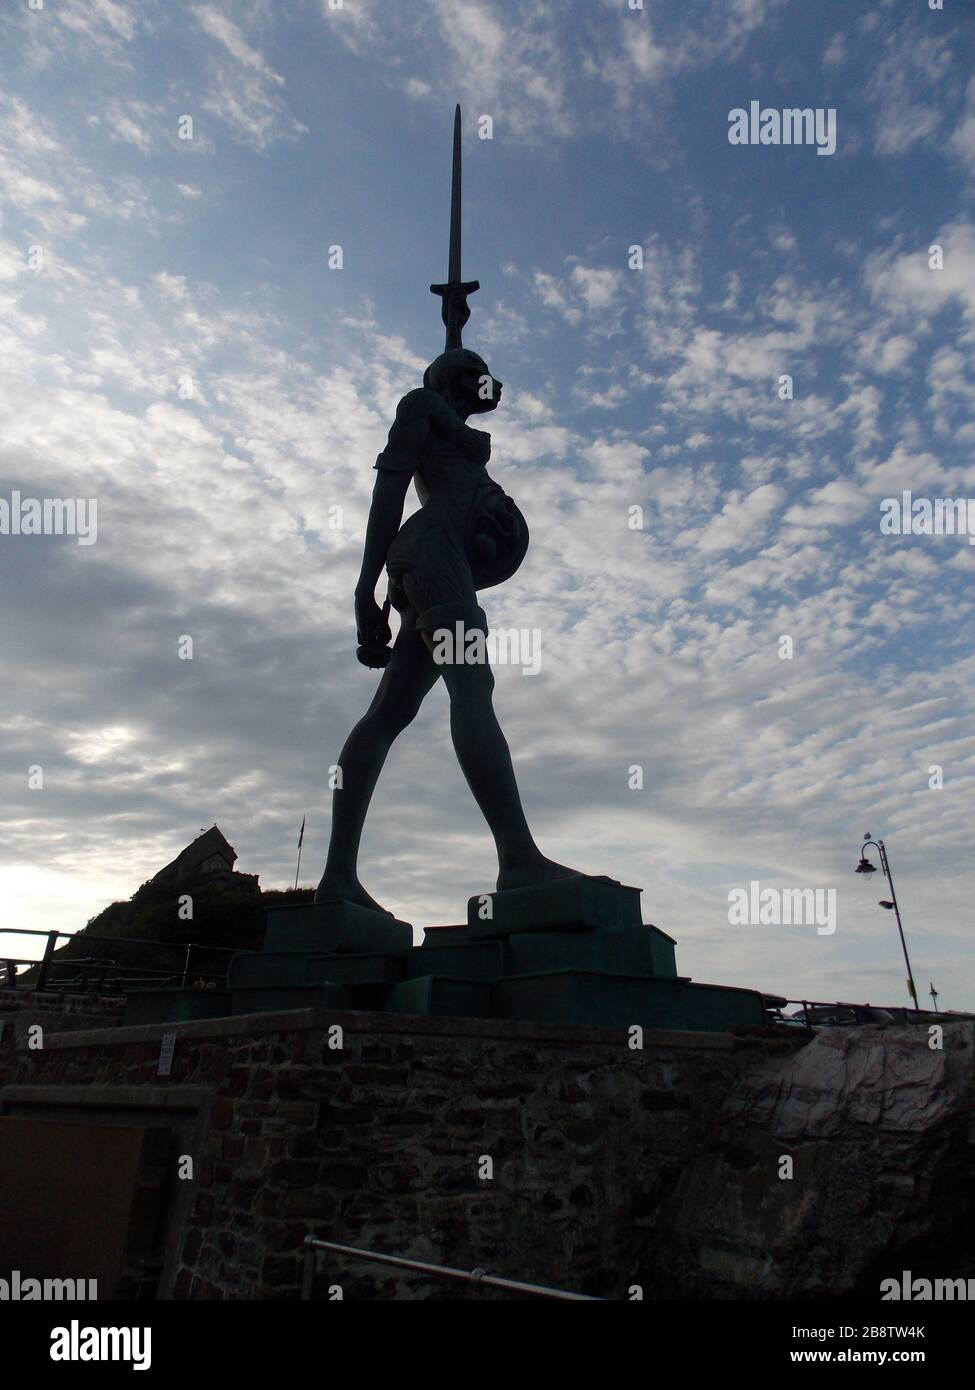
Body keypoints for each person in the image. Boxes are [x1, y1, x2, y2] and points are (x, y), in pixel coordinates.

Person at [315, 348, 583, 914]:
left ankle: (339, 879)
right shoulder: (420, 405)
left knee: (387, 715)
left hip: (443, 562)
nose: (496, 384)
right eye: (482, 372)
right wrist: (364, 587)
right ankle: (518, 860)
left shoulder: (452, 424)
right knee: (471, 688)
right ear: (460, 376)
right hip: (434, 559)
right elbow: (388, 489)